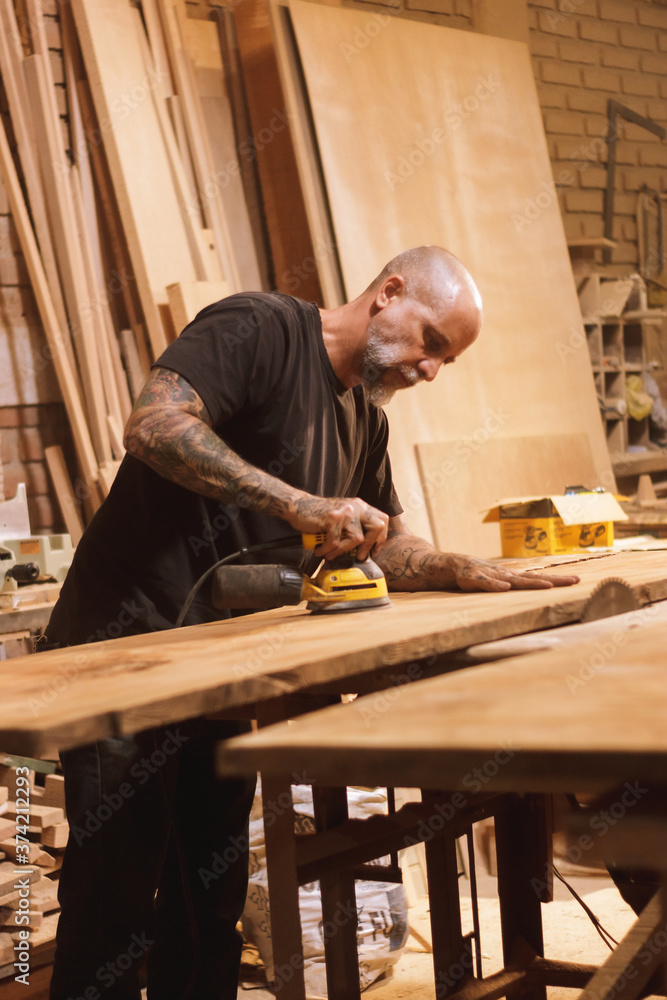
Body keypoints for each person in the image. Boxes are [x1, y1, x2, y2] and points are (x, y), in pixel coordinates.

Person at [46, 246, 578, 1000]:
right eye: (431, 342)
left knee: (208, 899)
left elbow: (387, 541)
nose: (429, 371)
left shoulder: (365, 417)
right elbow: (153, 425)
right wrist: (300, 504)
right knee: (117, 902)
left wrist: (454, 566)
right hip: (119, 649)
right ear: (388, 293)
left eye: (445, 362)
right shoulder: (258, 329)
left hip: (216, 668)